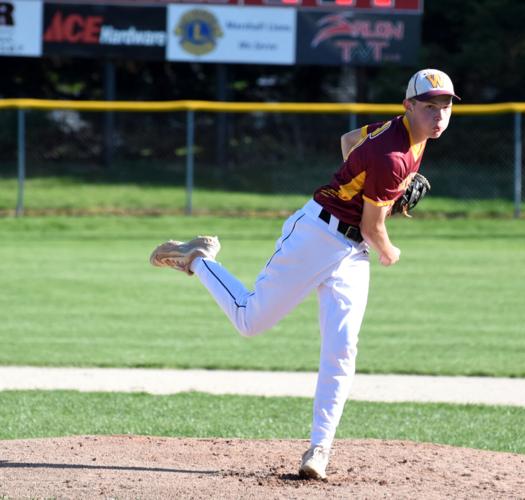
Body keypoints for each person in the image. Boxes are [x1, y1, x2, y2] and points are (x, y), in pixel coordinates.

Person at [149, 68, 458, 480]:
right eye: (429, 106)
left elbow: (349, 142)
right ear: (409, 106)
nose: (439, 115)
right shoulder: (393, 154)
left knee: (343, 350)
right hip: (316, 235)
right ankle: (201, 258)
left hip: (351, 253)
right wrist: (391, 251)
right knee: (249, 320)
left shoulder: (403, 133)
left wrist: (364, 183)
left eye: (446, 105)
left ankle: (319, 450)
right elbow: (373, 227)